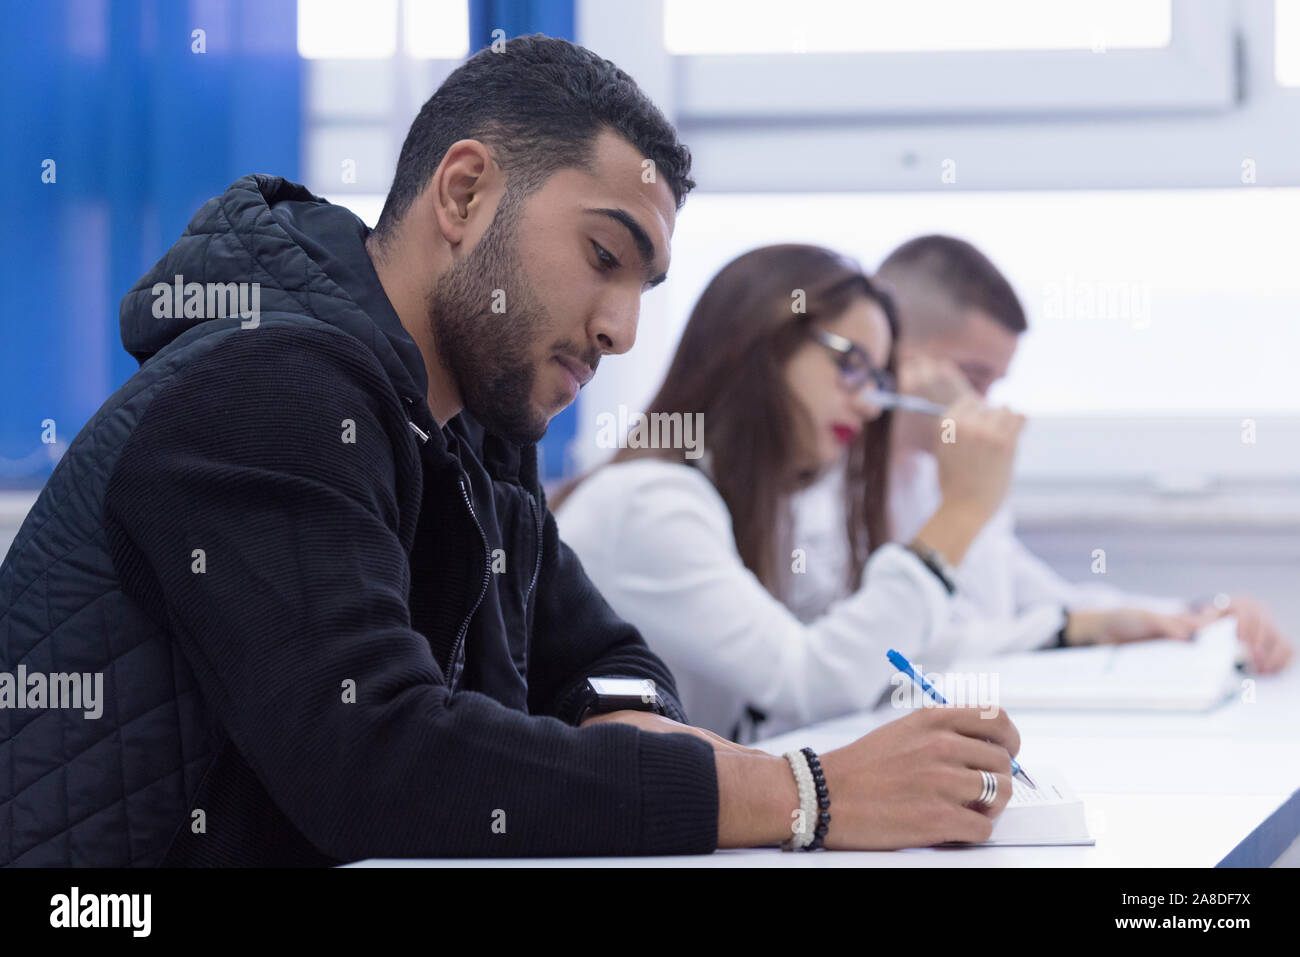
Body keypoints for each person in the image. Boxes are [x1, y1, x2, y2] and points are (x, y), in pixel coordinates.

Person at [0, 38, 1021, 865]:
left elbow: (606, 657)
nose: (620, 328)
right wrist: (798, 794)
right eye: (603, 256)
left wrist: (628, 725)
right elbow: (377, 760)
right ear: (463, 194)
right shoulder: (266, 391)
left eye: (642, 288)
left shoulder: (478, 428)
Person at [553, 244, 1027, 742]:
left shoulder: (752, 501)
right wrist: (963, 511)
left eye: (877, 378)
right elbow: (813, 682)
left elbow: (859, 656)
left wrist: (1061, 626)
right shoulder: (649, 503)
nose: (869, 405)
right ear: (764, 341)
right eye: (850, 363)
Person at [788, 234, 1293, 672]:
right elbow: (897, 652)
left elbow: (1041, 602)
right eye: (974, 377)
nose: (983, 404)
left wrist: (1204, 613)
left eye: (993, 384)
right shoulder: (815, 495)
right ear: (894, 359)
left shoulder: (934, 475)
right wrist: (964, 497)